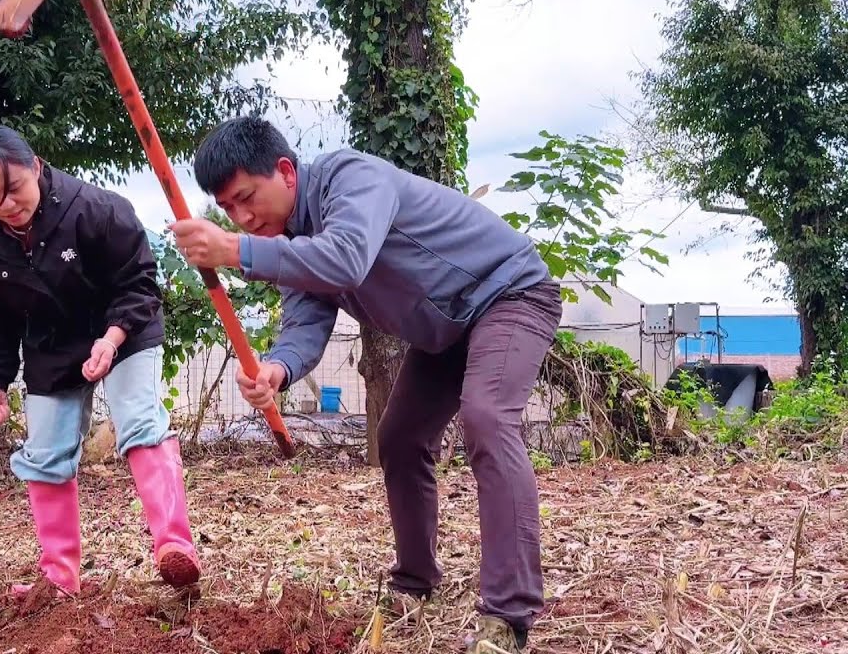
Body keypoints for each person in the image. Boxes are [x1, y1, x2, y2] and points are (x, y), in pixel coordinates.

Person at [168, 116, 561, 653]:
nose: (241, 216)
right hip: (446, 333)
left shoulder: (352, 179)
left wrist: (235, 250)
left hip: (509, 293)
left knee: (488, 418)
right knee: (399, 438)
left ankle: (507, 617)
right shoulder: (291, 239)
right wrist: (277, 371)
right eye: (229, 209)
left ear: (286, 171)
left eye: (246, 197)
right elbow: (305, 324)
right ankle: (415, 584)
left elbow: (345, 259)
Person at [0, 124, 200, 595]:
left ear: (37, 168)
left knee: (139, 422)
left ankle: (175, 549)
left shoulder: (96, 211)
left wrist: (110, 340)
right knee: (44, 454)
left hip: (122, 330)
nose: (6, 204)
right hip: (52, 343)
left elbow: (139, 284)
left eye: (14, 189)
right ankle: (59, 579)